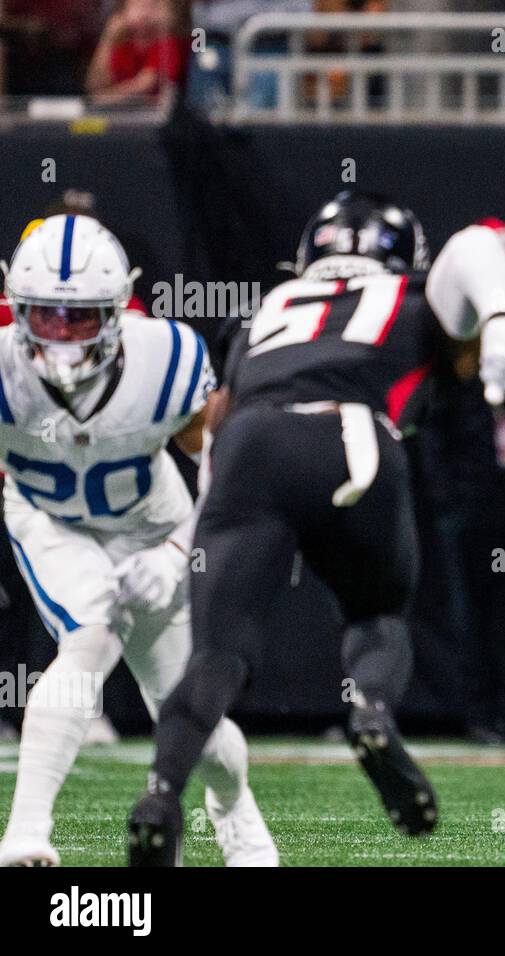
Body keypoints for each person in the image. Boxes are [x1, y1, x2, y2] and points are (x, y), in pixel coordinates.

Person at [126, 191, 505, 865]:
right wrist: (499, 320)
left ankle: (162, 792)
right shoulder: (411, 294)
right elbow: (474, 247)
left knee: (216, 655)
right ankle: (371, 712)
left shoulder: (266, 309)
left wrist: (188, 537)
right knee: (377, 614)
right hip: (352, 434)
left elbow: (214, 420)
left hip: (248, 447)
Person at [0, 215, 275, 866]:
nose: (62, 336)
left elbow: (225, 470)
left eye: (81, 318)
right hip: (50, 519)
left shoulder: (168, 358)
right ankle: (25, 833)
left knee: (190, 720)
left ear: (118, 312)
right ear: (17, 308)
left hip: (154, 522)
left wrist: (178, 550)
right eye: (46, 317)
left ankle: (237, 814)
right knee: (91, 628)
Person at [86, 0, 187, 104]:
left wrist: (102, 99)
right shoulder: (122, 46)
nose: (144, 12)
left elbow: (144, 85)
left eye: (153, 5)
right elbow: (95, 85)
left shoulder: (169, 44)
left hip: (158, 115)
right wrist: (108, 38)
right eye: (137, 5)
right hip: (122, 113)